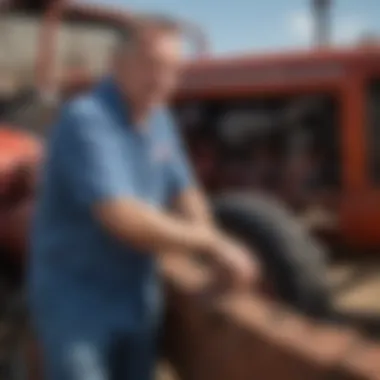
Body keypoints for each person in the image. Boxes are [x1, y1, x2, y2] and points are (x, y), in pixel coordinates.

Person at [27, 15, 258, 380]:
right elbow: (122, 217)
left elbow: (183, 188)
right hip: (77, 300)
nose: (163, 80)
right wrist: (213, 243)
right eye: (151, 65)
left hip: (135, 292)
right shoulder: (86, 120)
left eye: (173, 69)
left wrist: (207, 242)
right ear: (117, 64)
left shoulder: (159, 117)